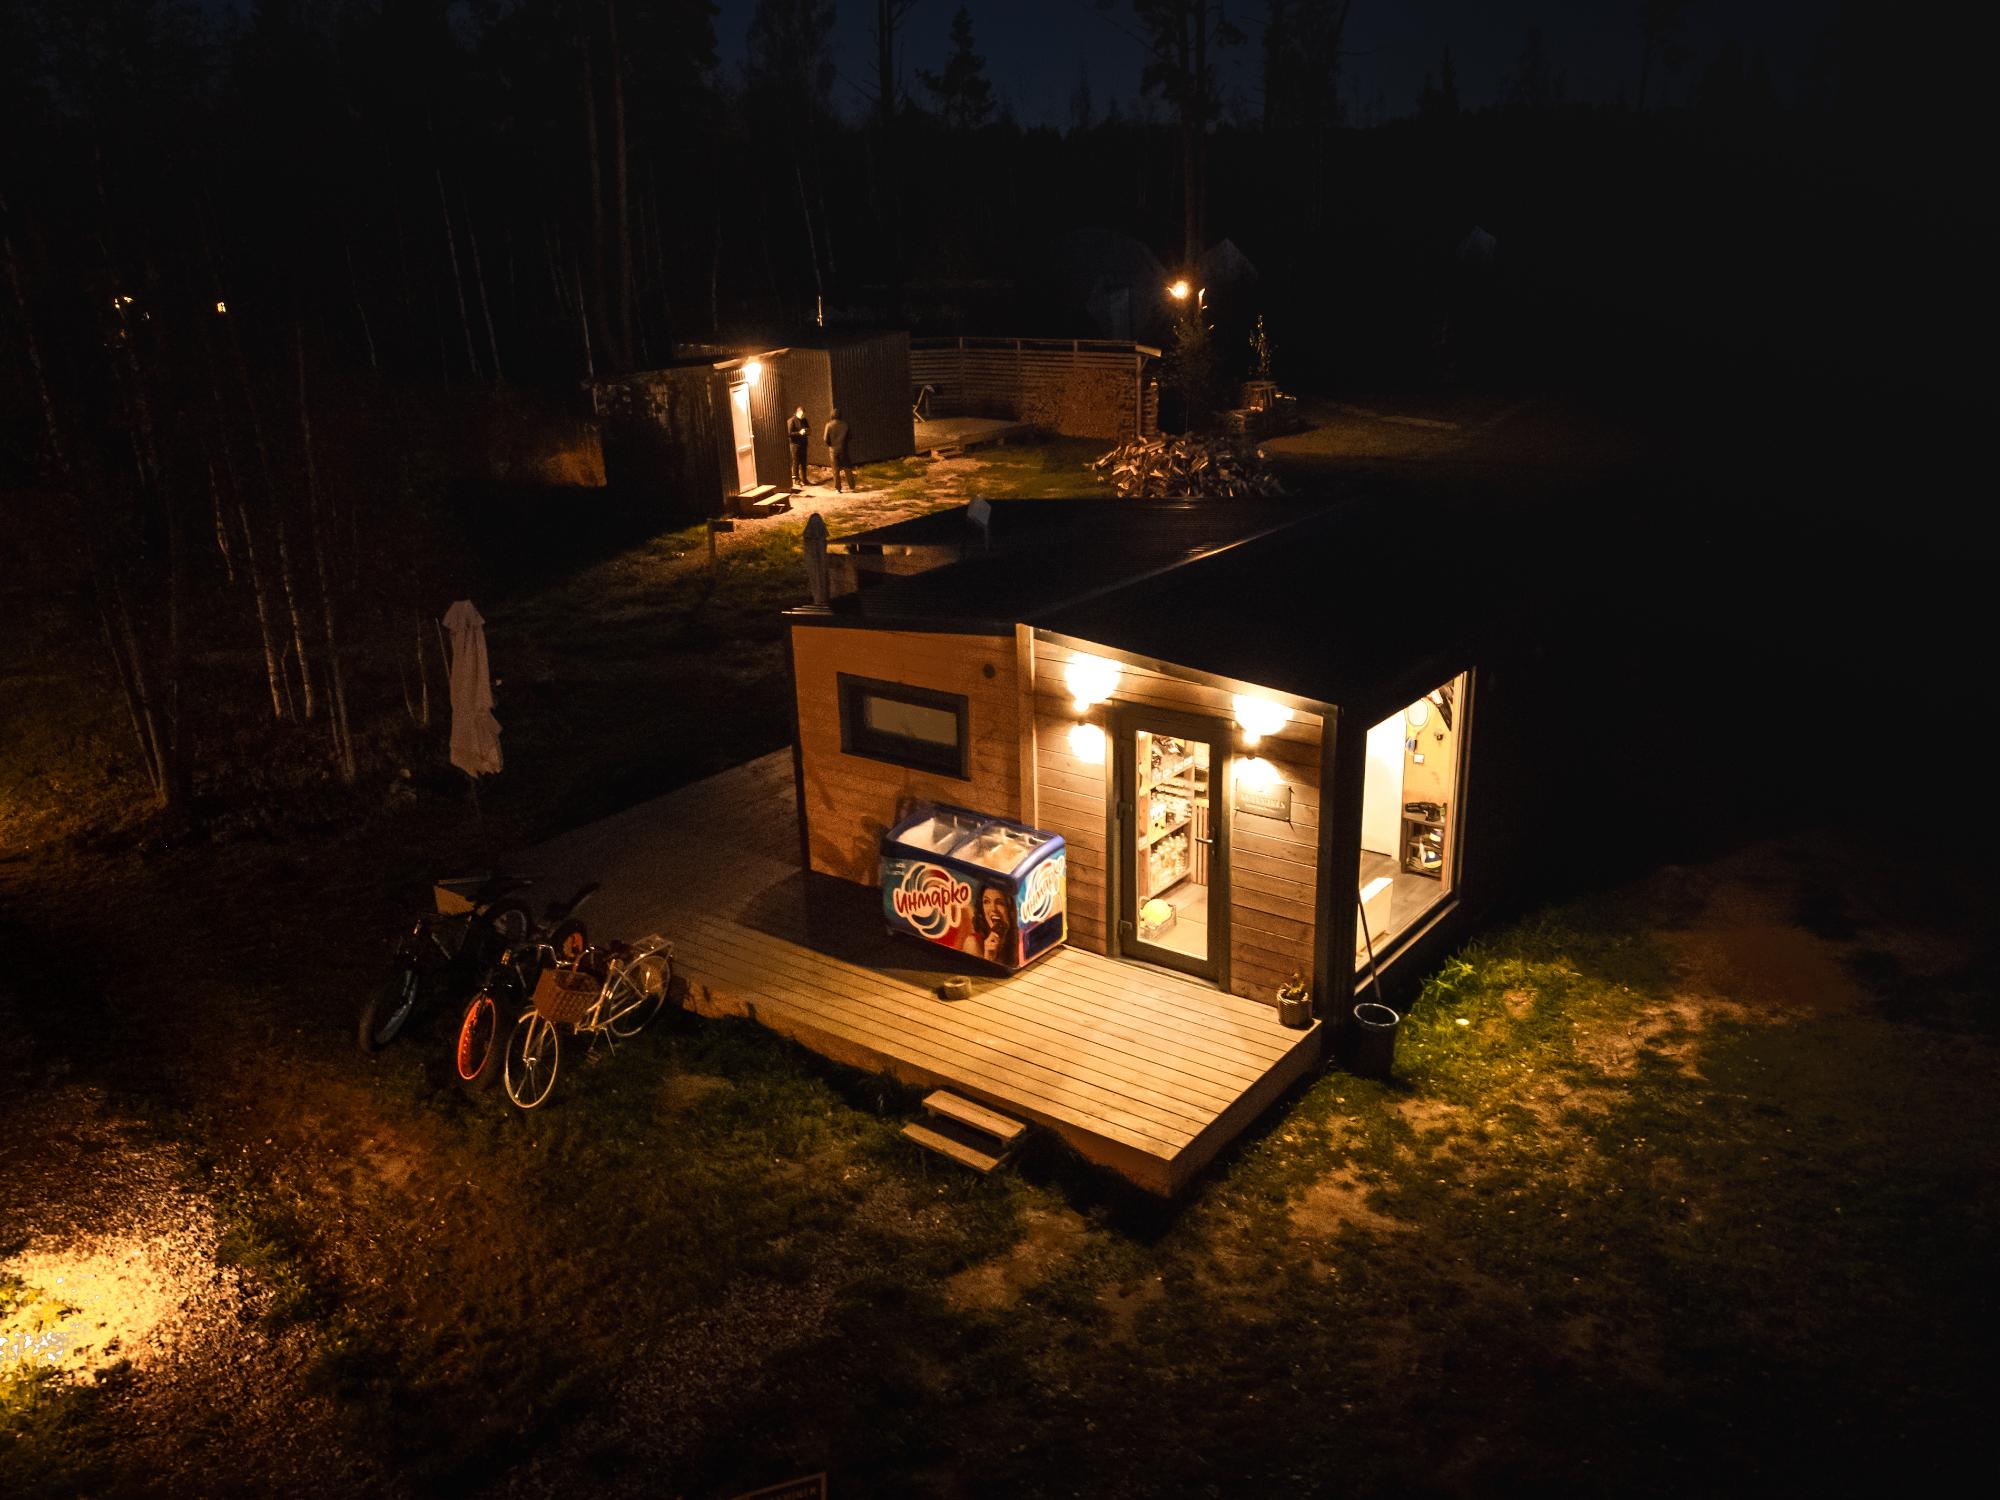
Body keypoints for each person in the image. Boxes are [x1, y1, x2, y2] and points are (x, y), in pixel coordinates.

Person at [968, 883, 1015, 965]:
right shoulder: (973, 943)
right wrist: (989, 957)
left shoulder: (1019, 939)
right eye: (986, 902)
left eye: (1000, 903)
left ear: (1010, 908)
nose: (993, 909)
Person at [822, 407, 856, 493]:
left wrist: (831, 445)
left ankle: (838, 488)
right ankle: (852, 487)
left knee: (835, 470)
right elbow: (850, 437)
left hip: (833, 450)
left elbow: (825, 439)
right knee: (847, 468)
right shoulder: (845, 424)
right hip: (844, 449)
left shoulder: (828, 425)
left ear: (832, 415)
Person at [786, 406, 810, 490]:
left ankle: (804, 478)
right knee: (796, 462)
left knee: (804, 462)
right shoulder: (791, 421)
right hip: (795, 445)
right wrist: (799, 433)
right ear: (798, 412)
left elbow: (809, 429)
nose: (803, 416)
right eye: (802, 414)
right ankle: (796, 479)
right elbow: (789, 433)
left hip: (803, 444)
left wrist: (807, 431)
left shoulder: (804, 420)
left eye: (804, 414)